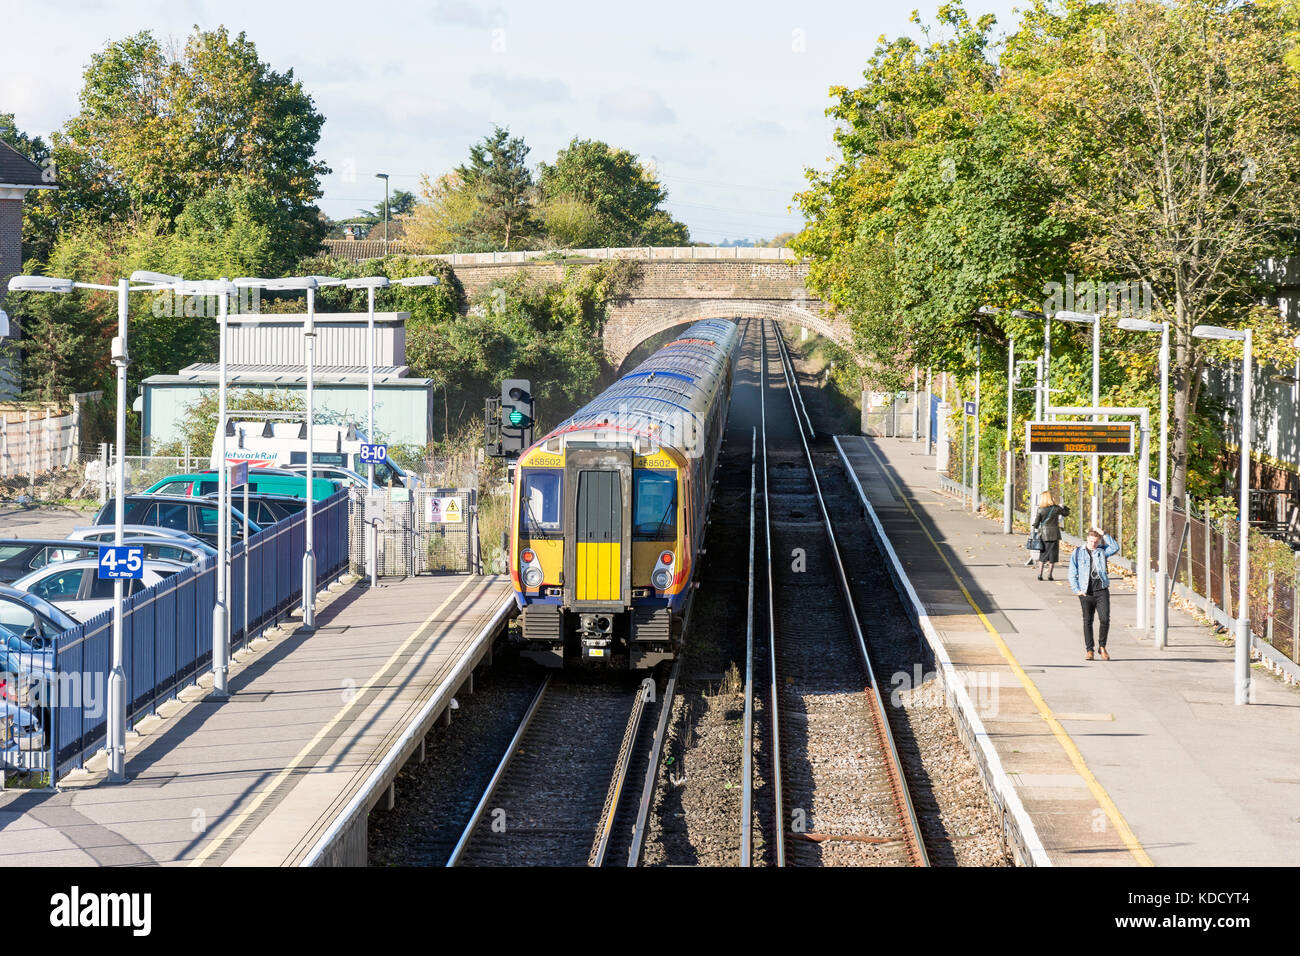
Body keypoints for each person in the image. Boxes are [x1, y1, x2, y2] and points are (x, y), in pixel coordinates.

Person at [1068, 527, 1120, 660]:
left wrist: (1104, 534)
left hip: (1101, 589)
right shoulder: (1078, 552)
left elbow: (1115, 547)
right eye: (1091, 541)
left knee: (1104, 619)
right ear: (1087, 539)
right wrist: (1077, 590)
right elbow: (1072, 573)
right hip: (1086, 592)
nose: (1093, 544)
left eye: (1096, 542)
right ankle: (1089, 650)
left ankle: (1102, 647)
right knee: (1088, 620)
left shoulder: (1101, 552)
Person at [1031, 491, 1070, 581]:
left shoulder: (1040, 509)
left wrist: (1035, 527)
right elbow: (1066, 513)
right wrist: (1064, 507)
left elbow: (1036, 523)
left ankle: (1040, 574)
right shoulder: (1056, 508)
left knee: (1043, 554)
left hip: (1044, 535)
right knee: (1053, 555)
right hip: (1055, 534)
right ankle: (1050, 575)